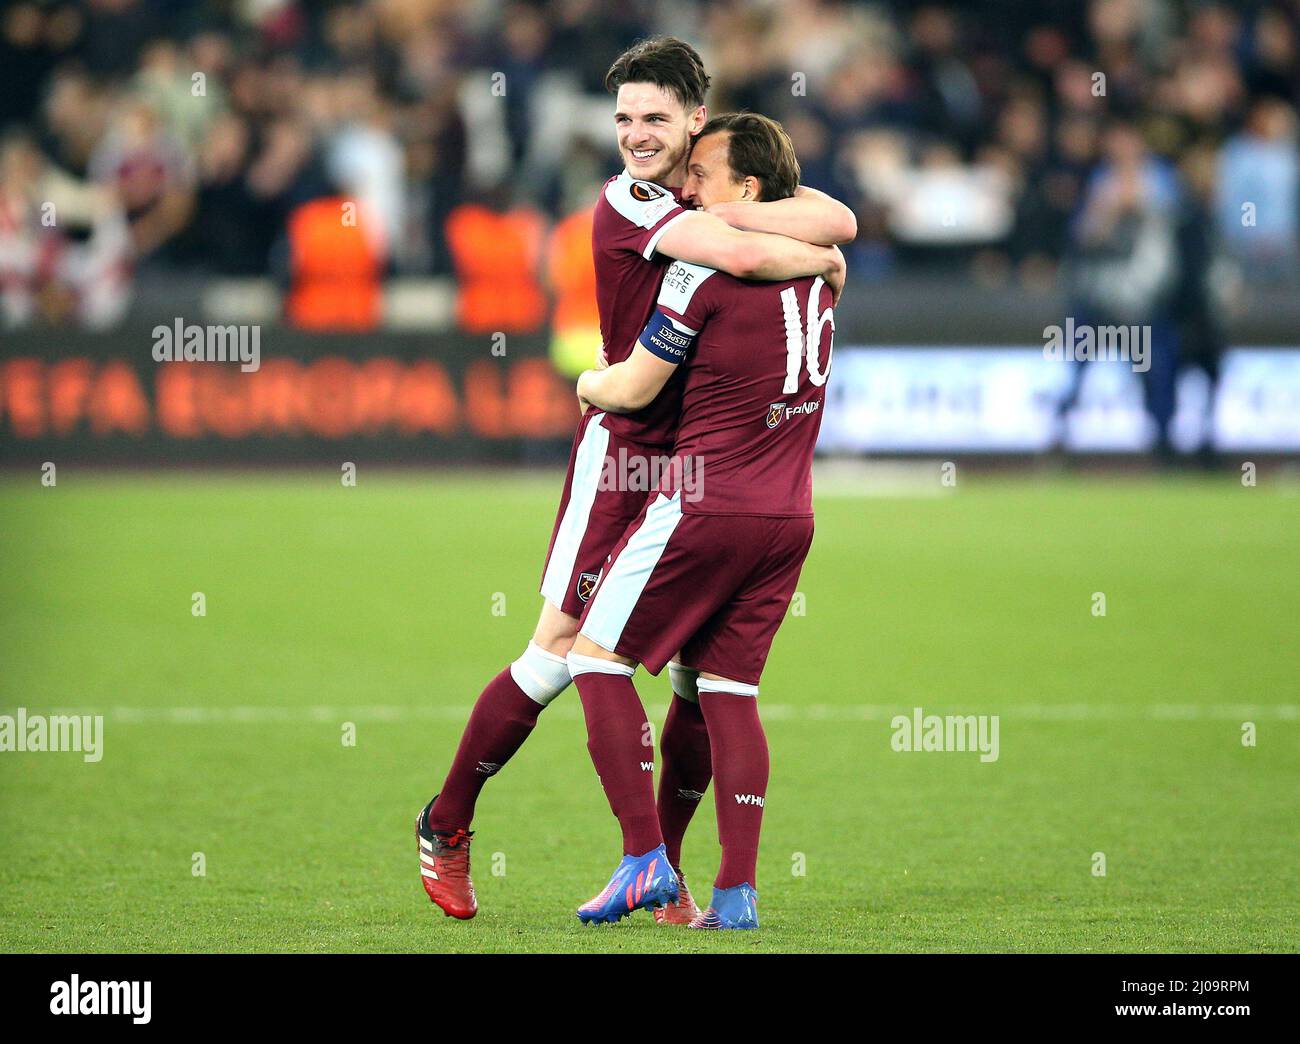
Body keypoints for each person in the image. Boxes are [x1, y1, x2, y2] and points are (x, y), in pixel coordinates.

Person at [416, 37, 855, 921]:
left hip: (704, 460)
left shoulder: (711, 184)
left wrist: (786, 228)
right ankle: (447, 821)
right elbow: (778, 249)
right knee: (558, 655)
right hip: (624, 451)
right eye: (623, 119)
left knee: (699, 683)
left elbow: (839, 218)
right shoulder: (628, 203)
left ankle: (667, 873)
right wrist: (806, 248)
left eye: (655, 118)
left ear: (697, 121)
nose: (636, 136)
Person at [568, 112, 840, 929]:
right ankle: (735, 894)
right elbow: (831, 234)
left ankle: (644, 859)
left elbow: (632, 390)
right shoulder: (825, 275)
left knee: (594, 659)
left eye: (705, 175)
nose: (687, 188)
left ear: (748, 189)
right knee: (726, 690)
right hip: (789, 516)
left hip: (702, 503)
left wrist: (585, 382)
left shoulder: (700, 275)